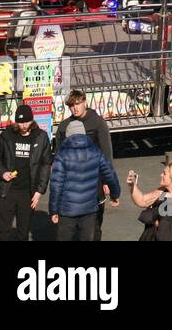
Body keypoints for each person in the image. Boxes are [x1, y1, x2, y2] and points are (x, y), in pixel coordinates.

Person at [53, 91, 114, 240]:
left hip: (96, 182)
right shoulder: (64, 127)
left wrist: (107, 181)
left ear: (85, 102)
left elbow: (106, 153)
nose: (75, 108)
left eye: (78, 104)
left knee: (95, 226)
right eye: (72, 105)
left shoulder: (97, 123)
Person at [48, 119, 120, 241]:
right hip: (89, 209)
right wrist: (115, 194)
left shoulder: (61, 156)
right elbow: (110, 174)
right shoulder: (96, 152)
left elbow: (56, 186)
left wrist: (53, 210)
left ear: (68, 135)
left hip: (67, 210)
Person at [0, 105, 51, 240]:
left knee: (23, 231)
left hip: (28, 192)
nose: (23, 125)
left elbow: (46, 164)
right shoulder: (7, 135)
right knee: (3, 230)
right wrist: (2, 172)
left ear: (32, 121)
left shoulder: (41, 137)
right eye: (20, 122)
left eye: (26, 122)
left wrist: (39, 191)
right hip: (7, 190)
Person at [127, 160, 172, 241]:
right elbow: (142, 201)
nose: (161, 175)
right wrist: (133, 185)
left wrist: (155, 219)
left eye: (164, 173)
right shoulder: (163, 192)